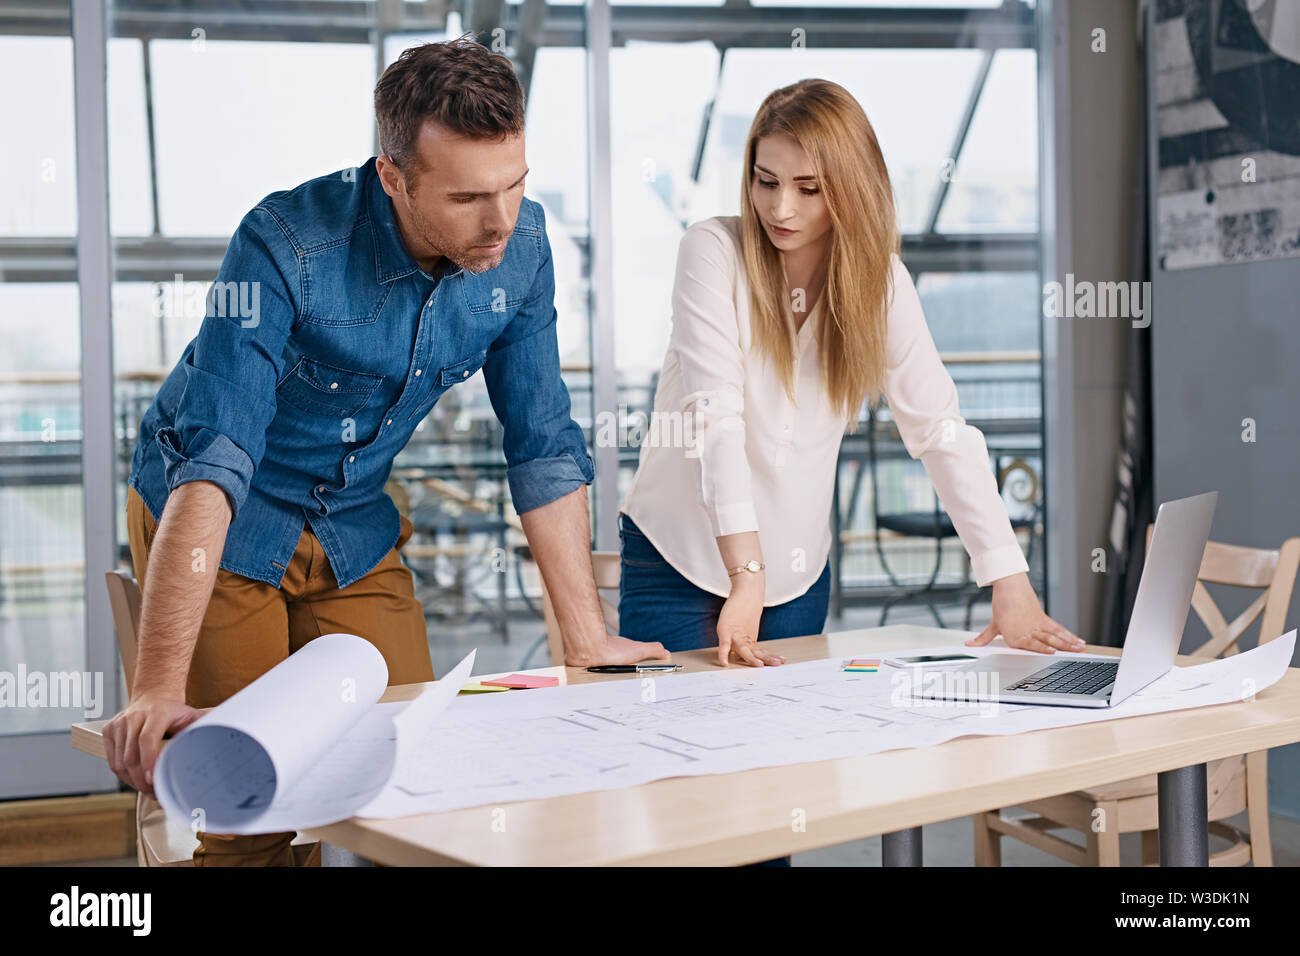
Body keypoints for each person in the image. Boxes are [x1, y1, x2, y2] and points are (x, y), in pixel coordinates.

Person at [104, 35, 666, 866]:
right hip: (221, 519)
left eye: (515, 185)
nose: (501, 220)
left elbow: (542, 442)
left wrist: (583, 636)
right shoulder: (283, 245)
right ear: (393, 178)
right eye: (471, 196)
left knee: (417, 781)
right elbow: (213, 464)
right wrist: (154, 691)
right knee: (251, 813)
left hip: (352, 523)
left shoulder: (525, 250)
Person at [619, 78, 1083, 670]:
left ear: (851, 189)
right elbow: (715, 419)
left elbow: (940, 430)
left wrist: (1008, 582)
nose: (781, 208)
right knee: (678, 748)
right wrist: (746, 577)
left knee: (789, 755)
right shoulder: (712, 251)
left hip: (795, 572)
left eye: (809, 189)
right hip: (677, 557)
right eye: (767, 182)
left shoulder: (881, 286)